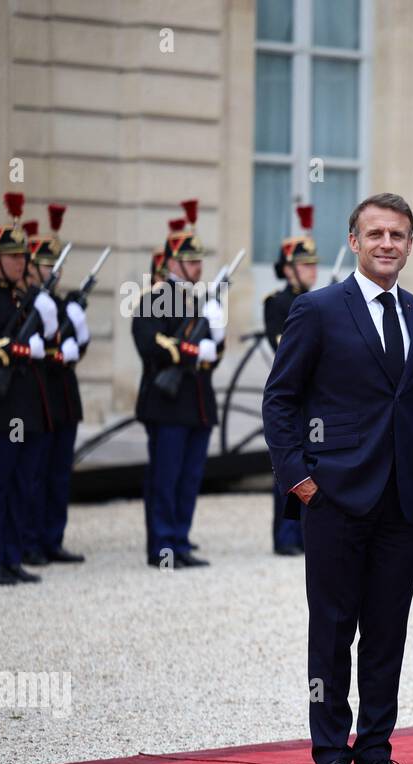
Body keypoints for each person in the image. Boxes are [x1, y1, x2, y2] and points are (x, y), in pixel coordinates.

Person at [262, 193, 413, 764]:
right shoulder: (317, 309)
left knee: (386, 632)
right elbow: (280, 397)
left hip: (401, 503)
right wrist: (299, 480)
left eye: (399, 235)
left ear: (410, 244)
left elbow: (412, 407)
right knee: (333, 631)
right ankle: (332, 753)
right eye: (376, 234)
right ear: (355, 242)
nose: (388, 244)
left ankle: (377, 751)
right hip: (333, 497)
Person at [132, 199, 225, 569]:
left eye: (200, 260)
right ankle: (163, 546)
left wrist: (214, 341)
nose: (197, 266)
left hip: (197, 401)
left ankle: (180, 540)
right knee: (165, 477)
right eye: (191, 260)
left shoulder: (198, 300)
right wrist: (192, 349)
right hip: (166, 401)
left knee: (188, 478)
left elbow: (213, 355)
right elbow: (149, 343)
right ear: (172, 263)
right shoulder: (156, 297)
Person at [0, 193, 51, 585]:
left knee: (23, 485)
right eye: (13, 256)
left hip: (24, 407)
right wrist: (21, 348)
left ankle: (13, 556)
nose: (21, 262)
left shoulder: (26, 297)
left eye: (23, 256)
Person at [19, 204, 87, 567]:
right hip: (36, 399)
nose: (54, 272)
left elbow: (75, 345)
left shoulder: (61, 304)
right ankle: (28, 541)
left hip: (63, 399)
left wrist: (78, 337)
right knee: (33, 475)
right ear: (32, 267)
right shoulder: (28, 302)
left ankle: (51, 538)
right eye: (48, 265)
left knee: (59, 475)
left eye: (57, 266)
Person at [263, 204, 318, 556]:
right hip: (293, 392)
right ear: (287, 269)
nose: (311, 271)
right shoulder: (277, 303)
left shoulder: (320, 300)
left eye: (314, 264)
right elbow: (282, 345)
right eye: (304, 265)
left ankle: (305, 534)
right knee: (288, 464)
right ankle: (284, 536)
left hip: (318, 396)